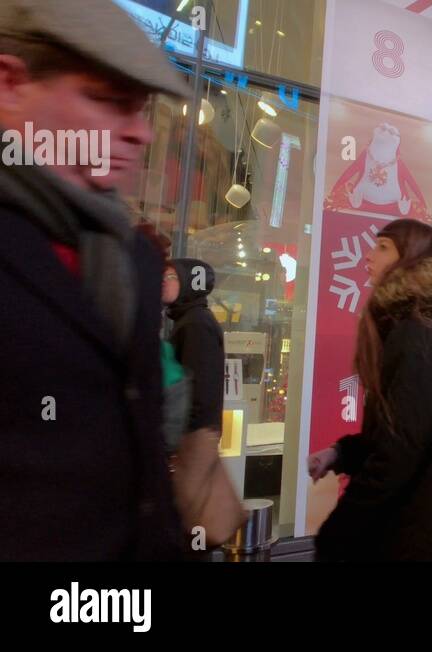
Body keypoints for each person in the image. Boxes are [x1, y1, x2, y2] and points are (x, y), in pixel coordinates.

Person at [0, 0, 189, 561]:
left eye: (143, 110)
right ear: (11, 85)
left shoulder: (132, 254)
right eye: (107, 102)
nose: (140, 135)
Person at [307, 220, 432, 561]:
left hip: (416, 535)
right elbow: (404, 432)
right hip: (427, 527)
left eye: (383, 247)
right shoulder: (428, 329)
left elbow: (399, 453)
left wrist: (339, 529)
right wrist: (341, 453)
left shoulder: (416, 334)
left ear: (412, 258)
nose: (369, 257)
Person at [162, 259, 225, 432]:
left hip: (194, 435)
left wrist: (185, 433)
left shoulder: (195, 322)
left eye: (172, 276)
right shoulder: (190, 319)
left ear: (188, 282)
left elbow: (200, 386)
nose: (164, 280)